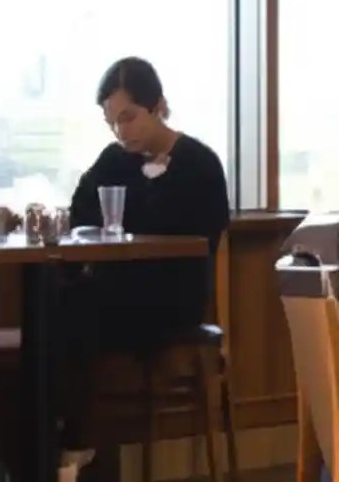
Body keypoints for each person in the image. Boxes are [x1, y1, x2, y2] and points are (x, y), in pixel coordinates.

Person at [58, 57, 230, 471]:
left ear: (158, 106)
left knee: (74, 311)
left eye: (128, 118)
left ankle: (75, 447)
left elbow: (196, 240)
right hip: (118, 292)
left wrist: (146, 191)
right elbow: (81, 211)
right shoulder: (115, 160)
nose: (121, 131)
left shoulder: (198, 165)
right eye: (112, 123)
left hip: (174, 298)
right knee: (56, 305)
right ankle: (74, 446)